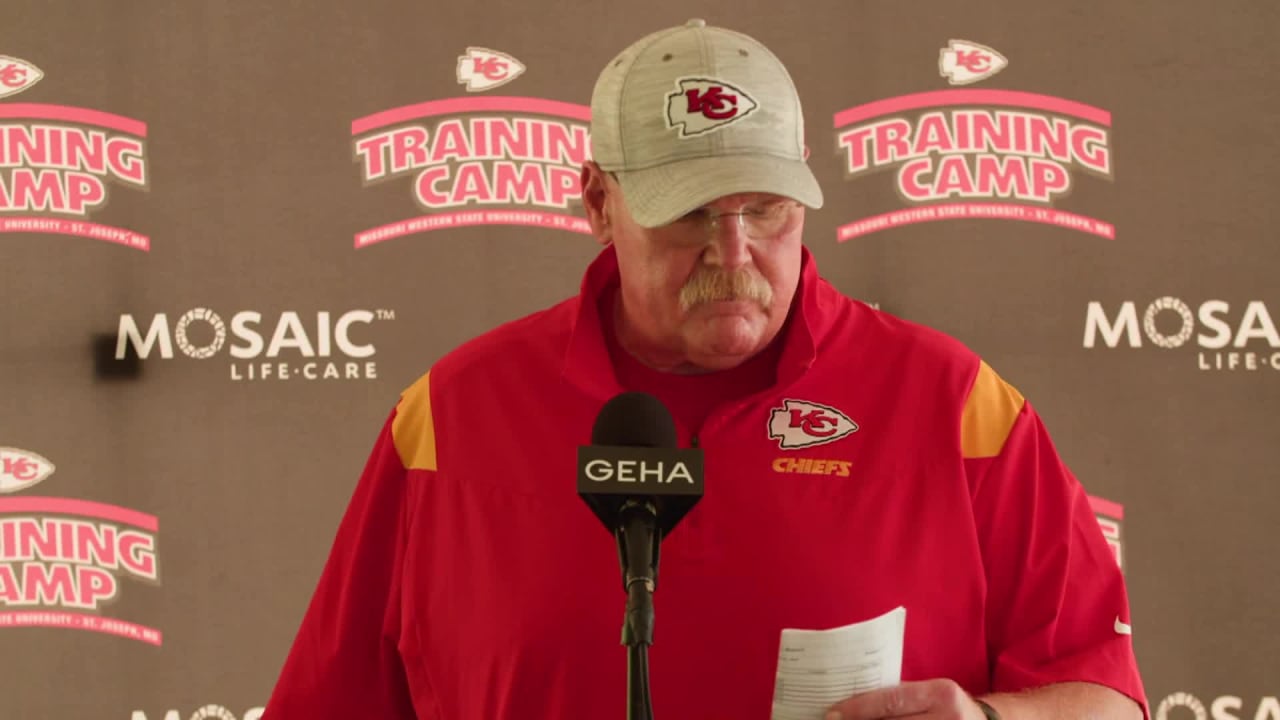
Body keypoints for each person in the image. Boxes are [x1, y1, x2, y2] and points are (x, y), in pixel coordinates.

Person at [263, 19, 1147, 720]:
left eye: (766, 209)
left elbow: (1105, 697)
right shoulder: (451, 417)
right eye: (689, 215)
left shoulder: (955, 407)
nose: (736, 253)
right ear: (599, 204)